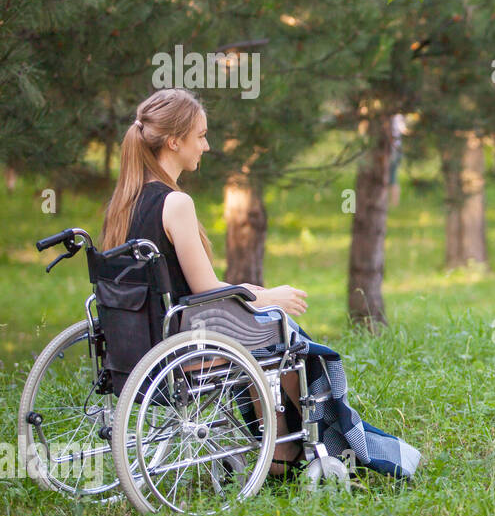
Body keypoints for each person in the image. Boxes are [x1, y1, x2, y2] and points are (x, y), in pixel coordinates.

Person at [101, 88, 419, 479]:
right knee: (289, 339)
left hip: (137, 346)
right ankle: (301, 453)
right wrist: (270, 295)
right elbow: (204, 289)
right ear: (174, 141)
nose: (207, 145)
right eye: (200, 136)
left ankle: (282, 455)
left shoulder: (124, 203)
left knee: (266, 327)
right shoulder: (175, 204)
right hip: (182, 348)